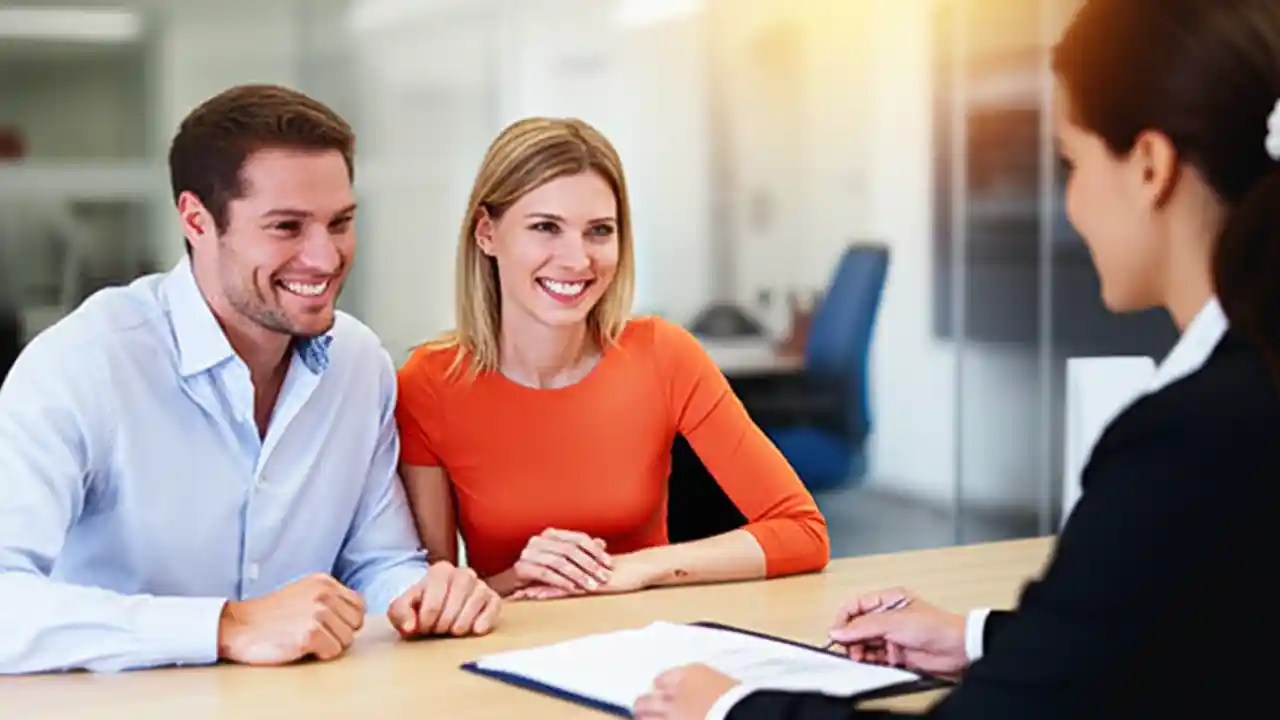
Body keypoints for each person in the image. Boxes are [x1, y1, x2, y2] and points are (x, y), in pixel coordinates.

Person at [636, 0, 1280, 717]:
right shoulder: (1248, 395)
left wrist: (731, 708)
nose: (1069, 202)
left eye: (1071, 163)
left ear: (1151, 166)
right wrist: (973, 636)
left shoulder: (1186, 437)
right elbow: (1203, 637)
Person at [0, 84, 500, 675]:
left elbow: (380, 562)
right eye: (286, 227)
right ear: (196, 220)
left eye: (340, 223)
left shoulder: (358, 364)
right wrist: (225, 626)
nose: (325, 256)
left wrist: (427, 596)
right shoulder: (85, 365)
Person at [395, 117, 829, 601]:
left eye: (599, 231)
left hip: (646, 645)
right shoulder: (428, 384)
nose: (577, 259)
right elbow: (433, 598)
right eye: (545, 228)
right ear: (486, 234)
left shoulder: (664, 355)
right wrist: (522, 576)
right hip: (509, 645)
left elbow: (803, 532)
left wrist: (638, 567)